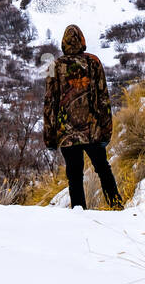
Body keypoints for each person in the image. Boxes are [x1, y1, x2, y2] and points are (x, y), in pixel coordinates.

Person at [43, 25, 124, 210]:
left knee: (74, 175)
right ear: (82, 40)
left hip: (66, 133)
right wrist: (106, 131)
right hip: (92, 130)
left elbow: (49, 104)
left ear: (63, 43)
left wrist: (49, 137)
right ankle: (117, 208)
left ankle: (79, 214)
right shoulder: (94, 62)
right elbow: (104, 99)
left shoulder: (53, 67)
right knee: (103, 169)